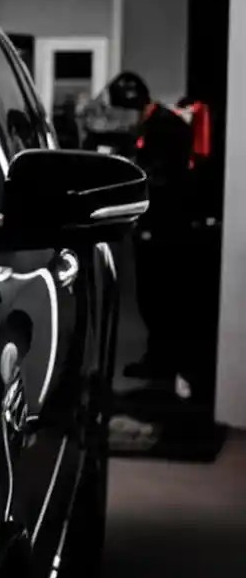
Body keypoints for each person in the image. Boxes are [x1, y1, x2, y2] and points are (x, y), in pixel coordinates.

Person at [112, 73, 194, 383]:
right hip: (156, 223)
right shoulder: (153, 125)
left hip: (166, 225)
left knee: (160, 296)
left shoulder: (167, 127)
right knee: (152, 295)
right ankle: (158, 358)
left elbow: (166, 178)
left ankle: (164, 364)